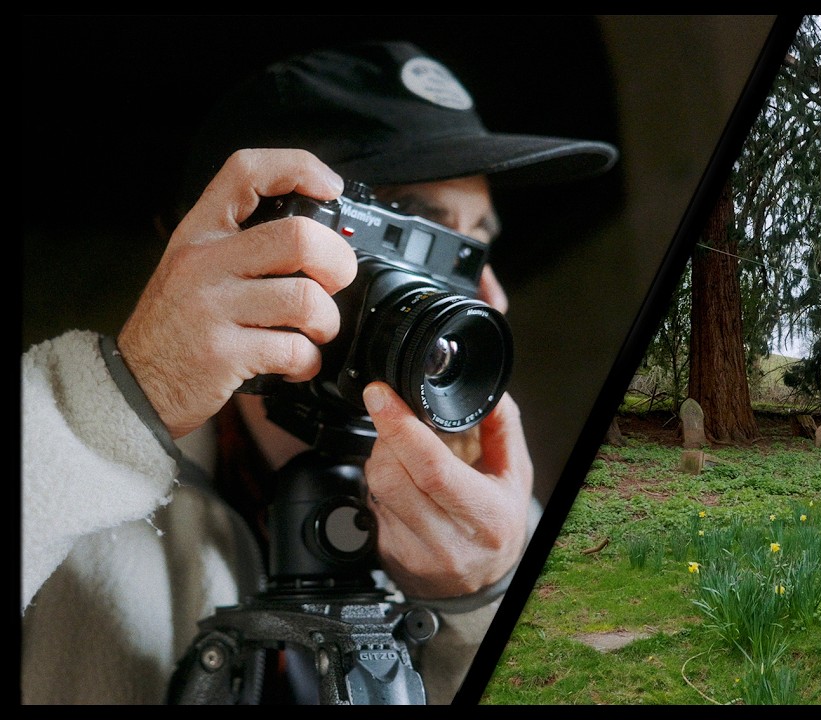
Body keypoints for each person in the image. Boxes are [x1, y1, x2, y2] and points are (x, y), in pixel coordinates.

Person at [21, 40, 617, 705]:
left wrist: (483, 600)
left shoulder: (486, 516)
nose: (483, 299)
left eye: (471, 247)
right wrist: (129, 396)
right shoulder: (62, 462)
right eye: (413, 229)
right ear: (237, 243)